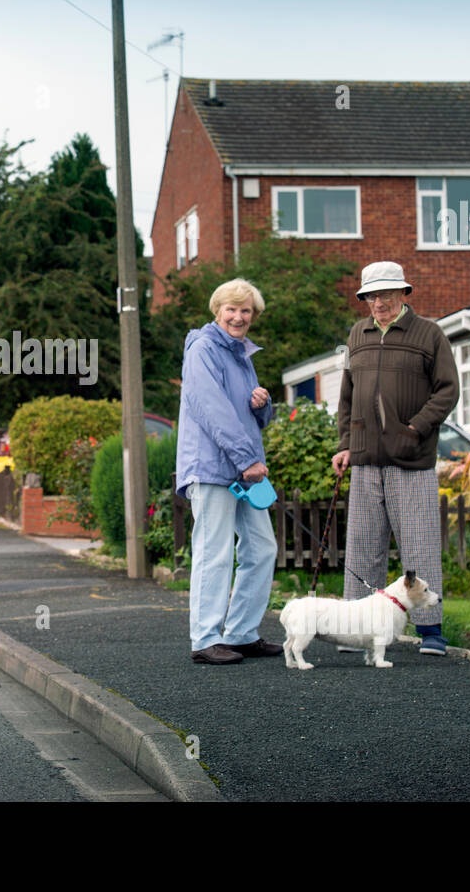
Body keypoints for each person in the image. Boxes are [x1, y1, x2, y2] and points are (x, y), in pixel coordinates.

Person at [331, 261, 458, 655]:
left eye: (386, 294)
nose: (378, 302)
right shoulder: (358, 334)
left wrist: (415, 428)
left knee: (419, 546)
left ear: (403, 293)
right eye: (371, 296)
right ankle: (355, 631)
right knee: (362, 548)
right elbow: (347, 395)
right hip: (365, 458)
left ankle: (431, 631)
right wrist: (344, 443)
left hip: (411, 458)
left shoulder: (429, 334)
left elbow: (447, 390)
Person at [175, 279, 283, 665]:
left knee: (262, 548)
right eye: (231, 309)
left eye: (246, 310)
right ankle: (205, 639)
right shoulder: (203, 349)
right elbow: (212, 410)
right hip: (212, 467)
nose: (239, 317)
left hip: (243, 470)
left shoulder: (242, 355)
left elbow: (249, 416)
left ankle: (241, 632)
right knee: (214, 553)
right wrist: (246, 460)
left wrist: (262, 405)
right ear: (217, 311)